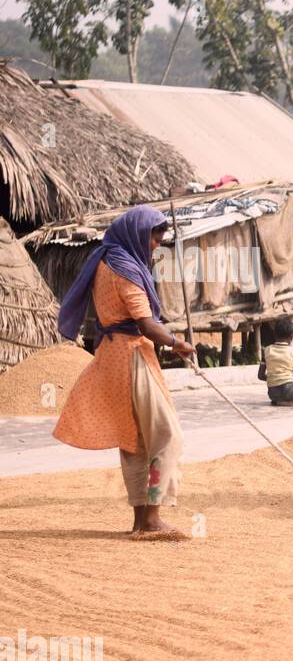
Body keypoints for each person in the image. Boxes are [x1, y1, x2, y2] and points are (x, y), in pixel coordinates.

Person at [53, 205, 196, 539]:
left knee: (135, 440)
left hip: (110, 354)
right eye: (154, 237)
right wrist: (178, 343)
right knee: (166, 435)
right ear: (137, 234)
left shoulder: (104, 260)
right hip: (131, 357)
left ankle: (140, 522)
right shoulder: (125, 267)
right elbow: (146, 325)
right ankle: (153, 517)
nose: (157, 244)